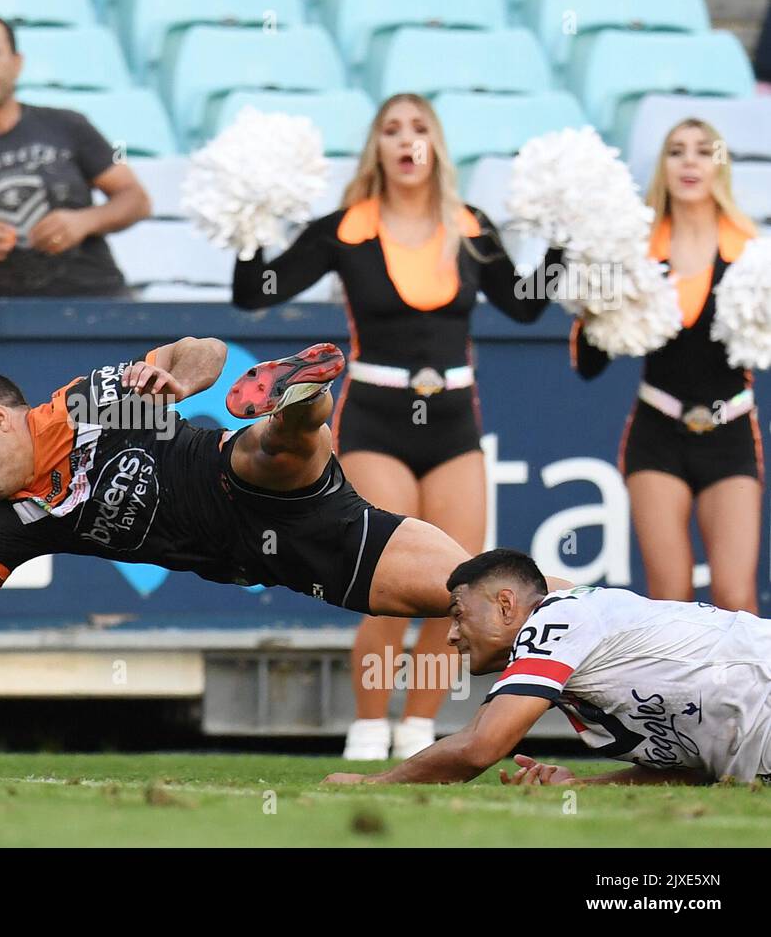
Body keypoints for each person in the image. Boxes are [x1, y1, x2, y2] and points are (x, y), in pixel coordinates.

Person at [0, 338, 565, 636]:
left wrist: (168, 377)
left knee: (268, 453)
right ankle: (619, 624)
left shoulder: (83, 405)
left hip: (239, 484)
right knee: (475, 598)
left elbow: (199, 353)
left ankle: (297, 398)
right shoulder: (19, 519)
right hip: (300, 558)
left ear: (3, 417)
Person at [231, 93, 564, 760]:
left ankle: (418, 729)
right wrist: (248, 225)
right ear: (375, 148)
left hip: (454, 421)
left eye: (420, 129)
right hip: (377, 416)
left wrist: (566, 235)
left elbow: (526, 307)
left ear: (437, 145)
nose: (407, 141)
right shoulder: (345, 226)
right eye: (392, 130)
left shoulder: (471, 226)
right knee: (389, 581)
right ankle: (366, 726)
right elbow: (256, 291)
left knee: (457, 589)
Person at [322, 548, 771, 786]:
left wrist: (373, 782)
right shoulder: (579, 664)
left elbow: (480, 746)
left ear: (505, 605)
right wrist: (581, 786)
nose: (451, 635)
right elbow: (694, 768)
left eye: (458, 613)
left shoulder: (556, 617)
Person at [572, 119, 761, 614]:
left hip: (731, 433)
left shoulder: (754, 253)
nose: (690, 161)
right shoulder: (636, 252)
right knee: (670, 597)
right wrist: (595, 304)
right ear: (663, 168)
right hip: (657, 434)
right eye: (676, 151)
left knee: (735, 597)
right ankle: (677, 697)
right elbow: (588, 365)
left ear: (719, 165)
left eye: (703, 150)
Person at [0, 12, 150, 298]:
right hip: (7, 327)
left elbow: (136, 199)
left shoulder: (70, 125)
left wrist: (84, 221)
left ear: (17, 63)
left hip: (102, 303)